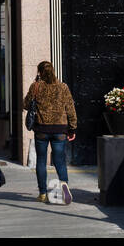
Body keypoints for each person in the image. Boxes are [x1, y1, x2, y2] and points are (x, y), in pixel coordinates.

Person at [23, 60, 78, 204]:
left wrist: (35, 85)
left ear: (39, 72)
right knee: (59, 160)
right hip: (60, 130)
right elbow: (70, 109)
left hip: (42, 129)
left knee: (41, 160)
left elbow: (26, 104)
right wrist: (72, 128)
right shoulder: (63, 87)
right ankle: (64, 183)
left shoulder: (36, 86)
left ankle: (42, 193)